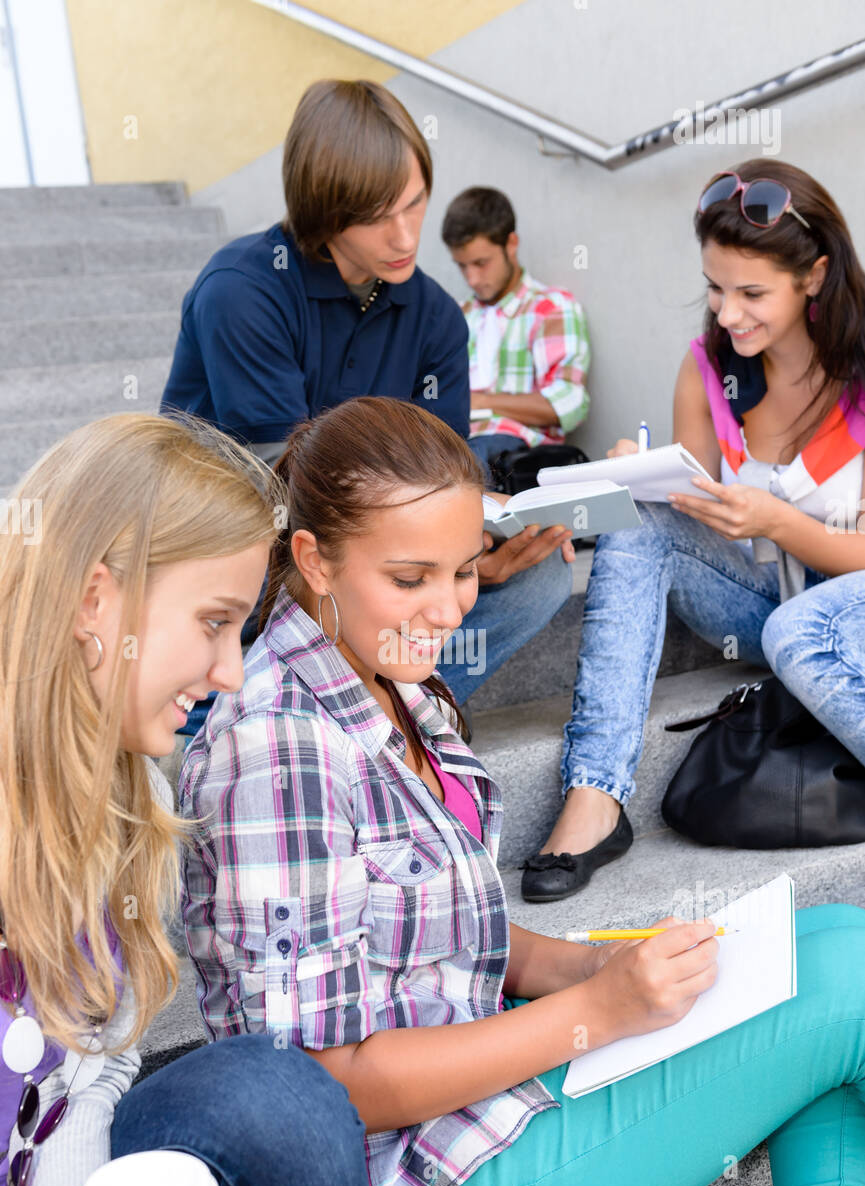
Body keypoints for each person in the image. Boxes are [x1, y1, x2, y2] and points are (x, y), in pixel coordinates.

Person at [179, 394, 865, 1186]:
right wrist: (604, 1012)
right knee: (849, 980)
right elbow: (327, 1083)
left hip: (489, 1095)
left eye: (465, 571)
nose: (448, 605)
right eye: (411, 576)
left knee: (813, 953)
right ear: (313, 559)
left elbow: (456, 941)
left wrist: (590, 966)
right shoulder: (277, 745)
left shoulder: (393, 684)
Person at [0, 413, 370, 1186]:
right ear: (97, 602)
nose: (232, 672)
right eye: (213, 622)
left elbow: (88, 1074)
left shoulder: (140, 800)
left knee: (274, 1099)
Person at [161, 79, 575, 735]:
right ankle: (312, 717)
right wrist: (437, 566)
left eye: (414, 204)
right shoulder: (241, 291)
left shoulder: (435, 316)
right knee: (330, 568)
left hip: (372, 568)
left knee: (542, 578)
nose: (406, 234)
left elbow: (438, 479)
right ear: (323, 210)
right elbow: (281, 499)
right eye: (378, 216)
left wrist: (470, 558)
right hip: (250, 558)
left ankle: (376, 715)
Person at [521, 157, 865, 903]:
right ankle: (594, 796)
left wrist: (775, 518)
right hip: (767, 610)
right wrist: (637, 475)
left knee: (798, 627)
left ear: (812, 276)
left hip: (846, 605)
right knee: (639, 516)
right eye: (715, 288)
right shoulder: (708, 367)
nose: (727, 312)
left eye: (751, 293)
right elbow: (692, 499)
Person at [441, 185, 591, 471]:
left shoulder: (550, 307)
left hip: (513, 450)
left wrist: (478, 401)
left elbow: (568, 404)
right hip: (451, 444)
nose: (472, 278)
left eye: (481, 263)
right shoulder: (453, 316)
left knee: (461, 468)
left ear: (511, 244)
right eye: (462, 266)